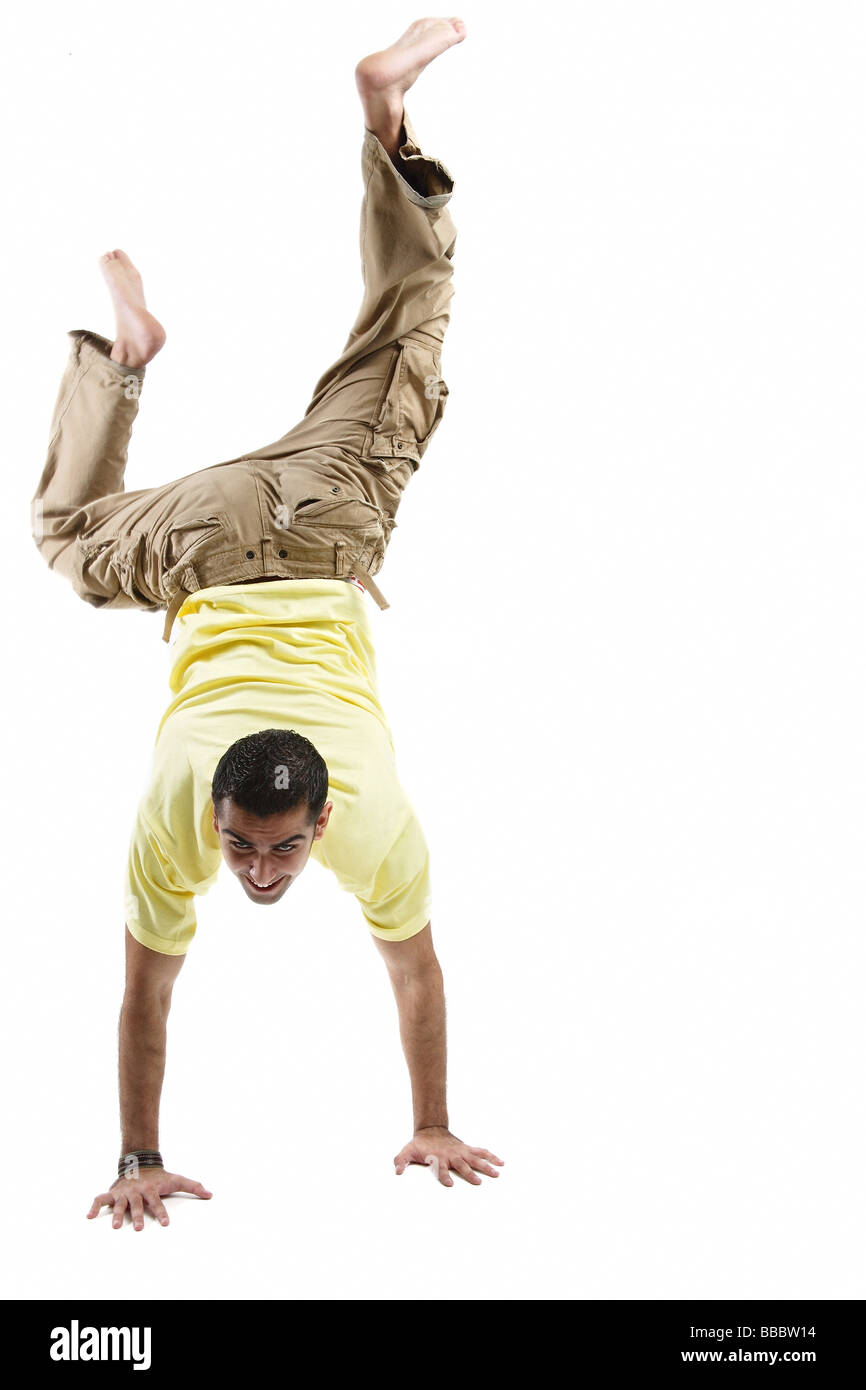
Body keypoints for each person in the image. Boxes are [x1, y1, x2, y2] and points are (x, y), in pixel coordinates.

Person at [32, 16, 504, 1231]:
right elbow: (411, 970)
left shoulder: (209, 821)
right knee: (398, 328)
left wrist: (141, 1148)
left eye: (272, 850)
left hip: (265, 525)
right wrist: (428, 1117)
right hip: (294, 516)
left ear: (319, 814)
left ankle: (132, 349)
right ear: (222, 810)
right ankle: (376, 121)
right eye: (251, 847)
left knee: (406, 327)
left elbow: (150, 993)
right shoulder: (297, 823)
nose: (256, 870)